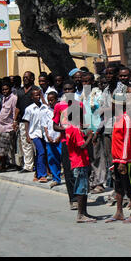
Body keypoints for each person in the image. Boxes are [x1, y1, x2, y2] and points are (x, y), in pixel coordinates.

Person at [106, 93, 131, 223]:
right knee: (118, 186)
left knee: (130, 186)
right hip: (117, 159)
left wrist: (123, 161)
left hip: (125, 160)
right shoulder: (118, 119)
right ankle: (119, 212)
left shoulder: (126, 119)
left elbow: (127, 141)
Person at [53, 80, 83, 210]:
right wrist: (66, 130)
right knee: (68, 170)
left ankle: (82, 196)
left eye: (70, 89)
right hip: (66, 142)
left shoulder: (80, 105)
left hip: (79, 142)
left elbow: (84, 123)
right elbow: (55, 126)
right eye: (65, 89)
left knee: (81, 171)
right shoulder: (58, 106)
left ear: (74, 90)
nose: (67, 92)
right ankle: (73, 199)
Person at [65, 102, 95, 223]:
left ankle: (84, 212)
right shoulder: (75, 129)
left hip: (77, 161)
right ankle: (81, 214)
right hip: (79, 162)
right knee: (81, 189)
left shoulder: (69, 128)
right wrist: (90, 136)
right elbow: (82, 146)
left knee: (83, 188)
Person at [80, 72, 106, 193]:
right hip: (85, 131)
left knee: (97, 157)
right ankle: (91, 181)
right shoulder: (81, 96)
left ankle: (99, 183)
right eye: (83, 81)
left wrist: (97, 131)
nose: (85, 84)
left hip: (96, 131)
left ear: (92, 82)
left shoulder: (98, 95)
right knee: (88, 157)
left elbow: (103, 115)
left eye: (88, 81)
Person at [14, 71, 41, 173]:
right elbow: (17, 107)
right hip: (23, 121)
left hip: (35, 121)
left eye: (27, 77)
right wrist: (15, 120)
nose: (25, 79)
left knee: (37, 144)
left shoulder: (36, 90)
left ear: (32, 79)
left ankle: (39, 165)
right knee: (25, 144)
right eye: (24, 77)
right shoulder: (20, 91)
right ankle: (28, 166)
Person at [23, 89, 48, 182]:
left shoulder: (44, 107)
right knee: (41, 152)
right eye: (35, 95)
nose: (37, 97)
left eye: (39, 95)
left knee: (40, 153)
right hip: (34, 133)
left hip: (44, 134)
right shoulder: (29, 109)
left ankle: (37, 173)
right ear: (32, 97)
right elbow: (26, 122)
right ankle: (42, 175)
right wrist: (27, 135)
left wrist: (43, 98)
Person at [41, 92, 62, 188]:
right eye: (48, 100)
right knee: (52, 159)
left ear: (56, 99)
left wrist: (60, 136)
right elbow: (45, 125)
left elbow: (63, 124)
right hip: (50, 138)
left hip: (60, 138)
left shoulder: (61, 110)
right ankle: (56, 178)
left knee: (64, 158)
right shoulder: (46, 111)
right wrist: (47, 136)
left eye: (52, 100)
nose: (50, 102)